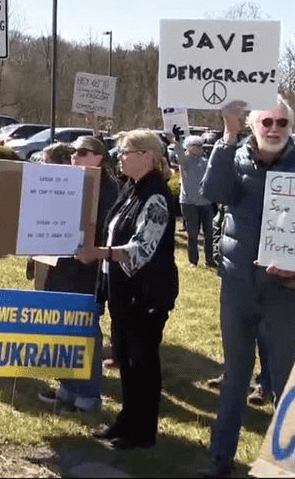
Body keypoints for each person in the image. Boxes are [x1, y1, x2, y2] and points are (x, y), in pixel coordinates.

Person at [199, 97, 295, 477]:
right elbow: (213, 191)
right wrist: (227, 136)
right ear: (253, 124)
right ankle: (220, 459)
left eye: (281, 123)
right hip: (238, 285)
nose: (274, 129)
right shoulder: (235, 155)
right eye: (266, 122)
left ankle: (290, 463)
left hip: (285, 292)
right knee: (235, 376)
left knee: (286, 378)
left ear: (290, 127)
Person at [74, 129, 178, 450]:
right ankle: (126, 420)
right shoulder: (131, 189)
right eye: (119, 151)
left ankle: (143, 431)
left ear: (148, 156)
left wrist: (99, 253)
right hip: (122, 293)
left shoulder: (156, 196)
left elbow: (140, 250)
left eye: (126, 151)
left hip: (146, 295)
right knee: (125, 358)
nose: (121, 156)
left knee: (142, 362)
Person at [37, 136, 120, 413]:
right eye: (73, 152)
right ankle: (68, 390)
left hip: (88, 272)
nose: (75, 156)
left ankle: (89, 395)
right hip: (63, 267)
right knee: (62, 328)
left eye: (83, 152)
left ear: (99, 157)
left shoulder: (108, 189)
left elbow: (108, 231)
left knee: (85, 331)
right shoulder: (69, 180)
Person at [173, 133, 216, 267]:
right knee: (192, 233)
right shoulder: (185, 161)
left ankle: (210, 259)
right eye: (195, 145)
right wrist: (177, 141)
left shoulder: (205, 162)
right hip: (189, 203)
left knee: (209, 232)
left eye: (200, 145)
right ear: (188, 147)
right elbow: (179, 156)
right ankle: (193, 261)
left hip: (206, 202)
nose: (198, 148)